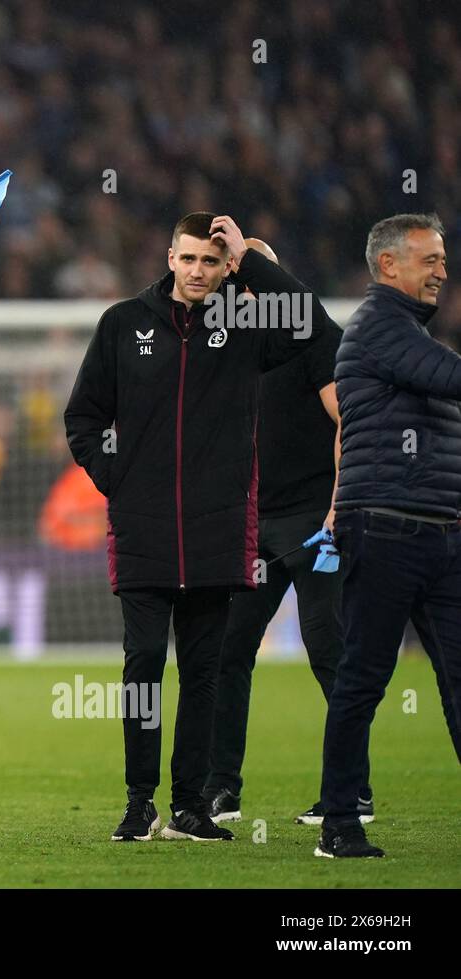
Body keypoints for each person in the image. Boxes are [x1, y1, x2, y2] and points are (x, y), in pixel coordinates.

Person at [65, 212, 327, 843]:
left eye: (212, 262)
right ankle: (138, 801)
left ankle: (190, 807)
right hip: (144, 527)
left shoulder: (244, 324)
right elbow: (84, 414)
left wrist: (251, 260)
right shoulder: (123, 324)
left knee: (204, 670)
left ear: (226, 266)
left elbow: (316, 328)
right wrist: (116, 476)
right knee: (145, 662)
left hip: (217, 527)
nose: (198, 272)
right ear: (170, 257)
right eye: (189, 259)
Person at [201, 240, 370, 827]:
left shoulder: (310, 343)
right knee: (229, 651)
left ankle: (354, 791)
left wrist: (337, 507)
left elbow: (346, 420)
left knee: (327, 650)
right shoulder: (232, 349)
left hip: (314, 521)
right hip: (255, 526)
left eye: (252, 277)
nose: (241, 289)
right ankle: (222, 789)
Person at [316, 213, 460, 859]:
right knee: (364, 678)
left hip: (438, 532)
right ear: (389, 266)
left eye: (443, 259)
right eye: (429, 259)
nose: (442, 270)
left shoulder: (409, 336)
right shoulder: (379, 328)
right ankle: (339, 822)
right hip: (383, 527)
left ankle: (342, 814)